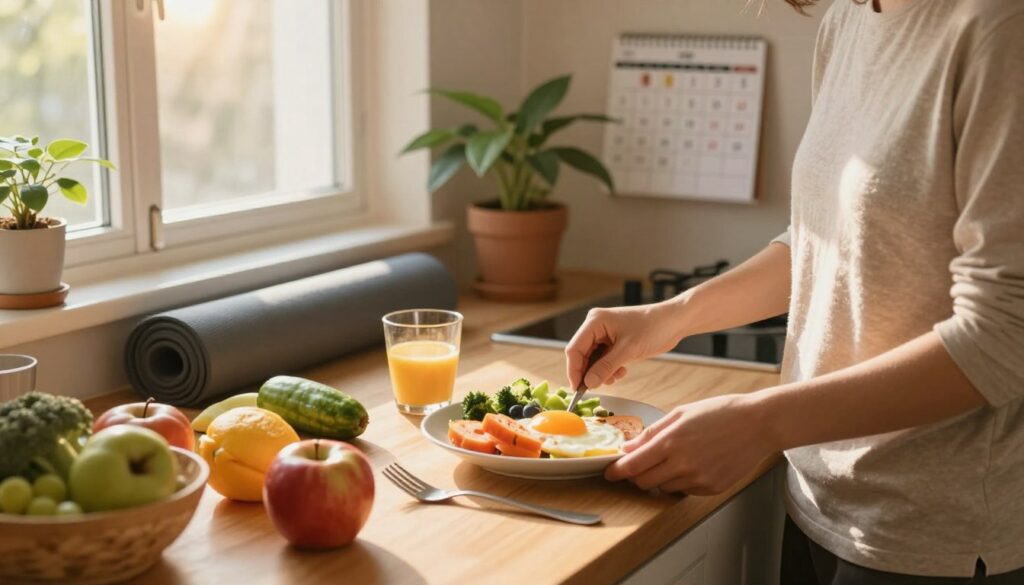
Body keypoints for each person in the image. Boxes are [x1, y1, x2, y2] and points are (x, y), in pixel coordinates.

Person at [565, 0, 1024, 582]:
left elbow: (1005, 335)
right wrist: (672, 315)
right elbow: (825, 238)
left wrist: (762, 422)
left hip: (931, 537)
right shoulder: (848, 22)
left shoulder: (1000, 27)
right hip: (816, 498)